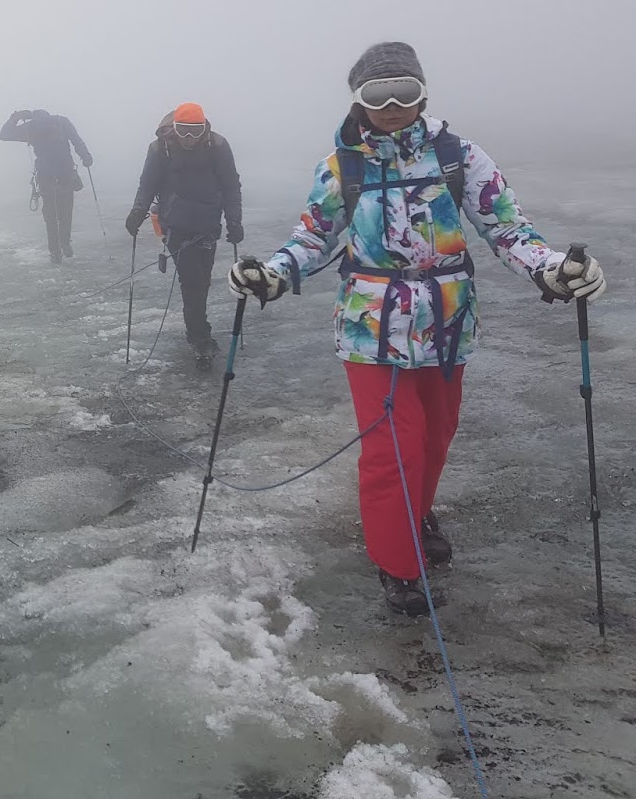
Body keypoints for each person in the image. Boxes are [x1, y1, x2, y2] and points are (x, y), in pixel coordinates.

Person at [228, 42, 607, 616]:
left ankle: (416, 513)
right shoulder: (342, 167)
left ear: (423, 94)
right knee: (393, 448)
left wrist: (553, 269)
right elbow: (314, 237)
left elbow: (507, 229)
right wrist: (272, 274)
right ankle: (399, 567)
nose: (392, 106)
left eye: (404, 92)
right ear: (357, 100)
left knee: (433, 438)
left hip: (447, 325)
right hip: (370, 327)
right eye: (377, 94)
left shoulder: (460, 157)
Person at [125, 102, 243, 370]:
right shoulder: (160, 149)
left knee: (201, 280)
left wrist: (234, 220)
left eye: (195, 131)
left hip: (208, 226)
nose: (189, 137)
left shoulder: (217, 146)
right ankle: (199, 338)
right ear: (174, 128)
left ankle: (199, 329)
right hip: (175, 226)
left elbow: (230, 185)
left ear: (204, 128)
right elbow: (148, 184)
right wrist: (138, 211)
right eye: (183, 130)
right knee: (192, 281)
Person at [0, 109, 93, 264]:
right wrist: (86, 156)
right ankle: (65, 243)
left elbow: (4, 135)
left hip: (45, 175)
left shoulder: (31, 127)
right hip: (65, 172)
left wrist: (15, 118)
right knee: (66, 211)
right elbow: (77, 141)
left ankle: (55, 252)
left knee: (50, 215)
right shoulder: (61, 122)